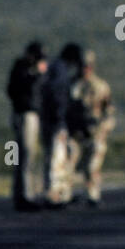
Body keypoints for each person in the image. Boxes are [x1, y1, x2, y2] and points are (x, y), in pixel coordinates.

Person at [67, 49, 115, 206]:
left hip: (95, 133)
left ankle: (92, 195)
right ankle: (65, 195)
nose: (85, 69)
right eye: (82, 65)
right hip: (75, 133)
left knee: (92, 166)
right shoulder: (72, 86)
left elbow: (109, 112)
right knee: (67, 163)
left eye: (88, 65)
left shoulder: (100, 86)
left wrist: (102, 130)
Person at [7, 40, 47, 211]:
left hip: (29, 115)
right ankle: (25, 196)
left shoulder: (23, 69)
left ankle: (24, 194)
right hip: (25, 115)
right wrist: (37, 75)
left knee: (27, 156)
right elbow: (15, 90)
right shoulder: (22, 69)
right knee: (26, 156)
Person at [40, 43, 80, 208]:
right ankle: (54, 196)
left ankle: (60, 193)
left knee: (56, 156)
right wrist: (61, 117)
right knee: (57, 158)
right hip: (56, 121)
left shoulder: (53, 68)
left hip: (50, 119)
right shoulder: (60, 71)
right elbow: (58, 96)